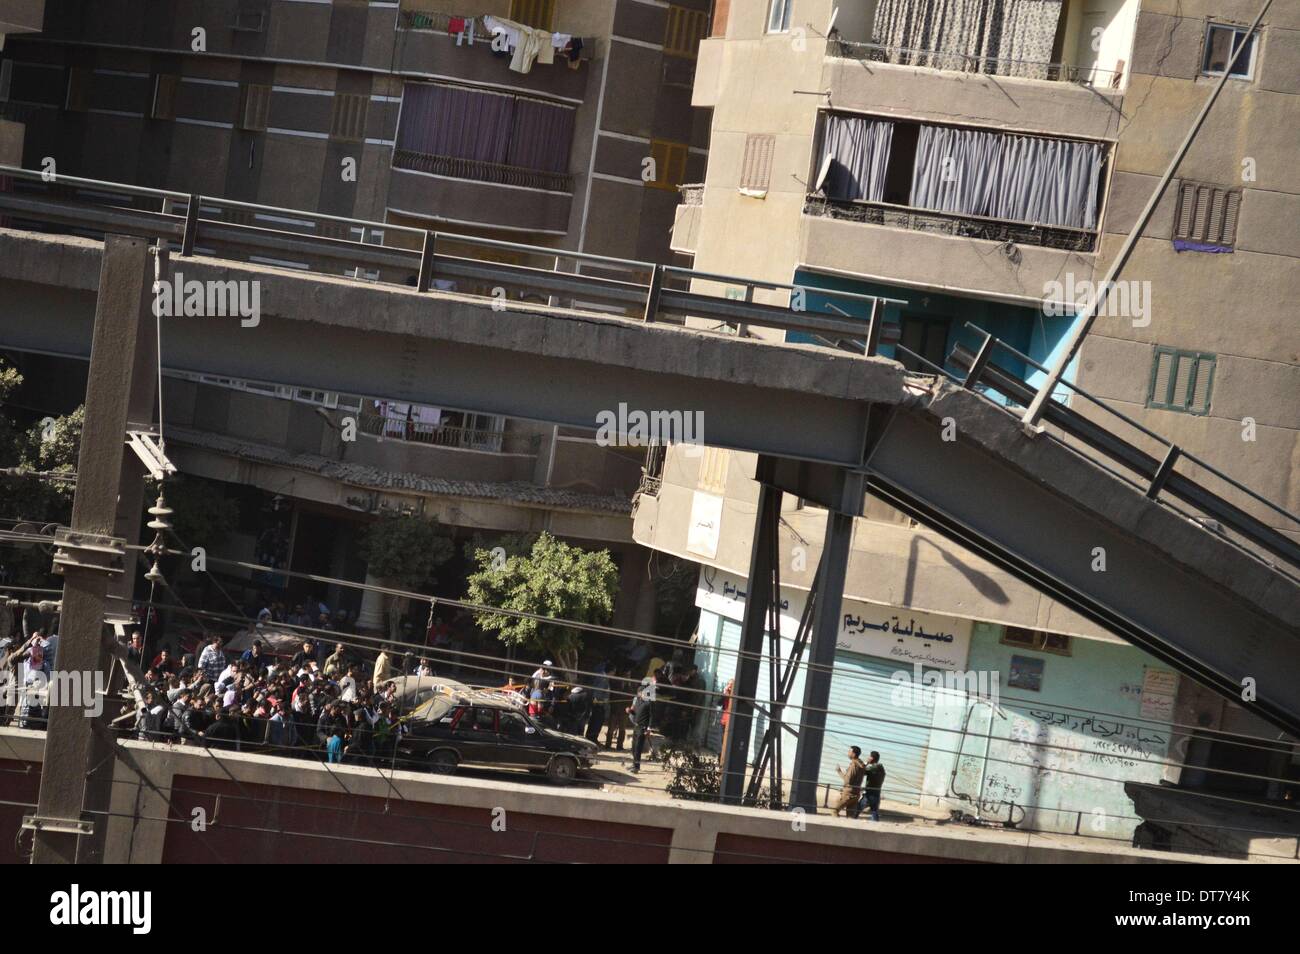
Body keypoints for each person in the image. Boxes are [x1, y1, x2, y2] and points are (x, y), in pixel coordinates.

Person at [627, 671, 656, 774]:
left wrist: (649, 728)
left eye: (640, 693)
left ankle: (637, 767)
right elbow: (635, 713)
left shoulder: (648, 703)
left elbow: (651, 716)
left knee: (638, 748)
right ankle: (633, 763)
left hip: (642, 728)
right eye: (638, 693)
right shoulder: (638, 702)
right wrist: (630, 711)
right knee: (634, 747)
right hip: (636, 726)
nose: (639, 695)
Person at [831, 746, 867, 817]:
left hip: (848, 794)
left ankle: (835, 827)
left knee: (834, 811)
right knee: (850, 816)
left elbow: (848, 780)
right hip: (856, 793)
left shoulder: (854, 765)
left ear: (853, 754)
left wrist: (839, 771)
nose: (848, 753)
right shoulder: (861, 764)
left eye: (849, 752)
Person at [858, 751, 886, 822]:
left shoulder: (874, 768)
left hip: (871, 792)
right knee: (874, 811)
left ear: (872, 758)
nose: (868, 758)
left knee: (857, 808)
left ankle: (852, 819)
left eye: (869, 756)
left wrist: (866, 763)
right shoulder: (881, 768)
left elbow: (861, 771)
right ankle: (875, 824)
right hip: (876, 791)